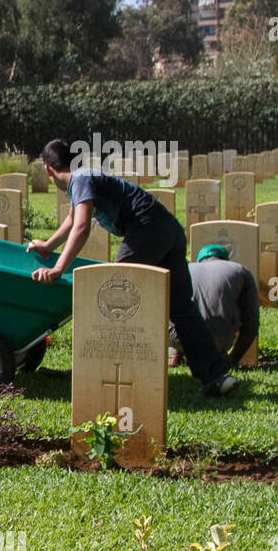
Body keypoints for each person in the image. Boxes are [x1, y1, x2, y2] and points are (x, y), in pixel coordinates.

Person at [26, 138, 238, 397]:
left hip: (146, 231)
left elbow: (81, 227)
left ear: (48, 169)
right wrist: (48, 244)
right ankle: (216, 376)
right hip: (168, 230)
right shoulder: (83, 177)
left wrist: (58, 268)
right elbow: (72, 219)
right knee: (182, 309)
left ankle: (100, 370)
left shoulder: (80, 179)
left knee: (114, 295)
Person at [167, 245, 260, 369]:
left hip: (174, 336)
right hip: (215, 339)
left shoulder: (184, 269)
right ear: (225, 260)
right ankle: (218, 356)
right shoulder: (240, 270)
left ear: (199, 260)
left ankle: (174, 354)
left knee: (180, 303)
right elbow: (251, 323)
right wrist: (233, 359)